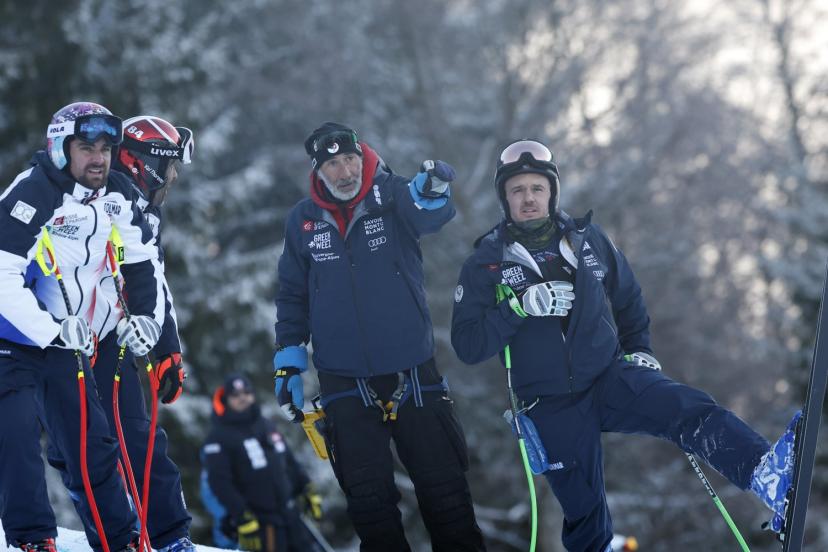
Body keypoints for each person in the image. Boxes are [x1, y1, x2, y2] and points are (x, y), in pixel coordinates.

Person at [450, 138, 801, 552]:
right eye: (517, 190)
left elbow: (629, 298)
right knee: (586, 516)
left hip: (608, 376)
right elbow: (467, 344)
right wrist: (519, 309)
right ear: (504, 198)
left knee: (688, 407)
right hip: (547, 404)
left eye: (536, 188)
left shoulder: (587, 240)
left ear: (552, 191)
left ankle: (766, 476)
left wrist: (641, 349)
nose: (528, 199)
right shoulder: (486, 262)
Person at [273, 122, 486, 551]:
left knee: (447, 499)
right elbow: (293, 295)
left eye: (350, 159)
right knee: (370, 508)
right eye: (332, 164)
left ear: (362, 155)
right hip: (342, 380)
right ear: (318, 171)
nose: (346, 171)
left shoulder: (392, 194)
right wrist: (289, 362)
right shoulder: (302, 221)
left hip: (413, 373)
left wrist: (432, 190)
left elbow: (429, 214)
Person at [0, 101, 168, 552]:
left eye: (106, 148)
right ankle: (33, 538)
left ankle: (118, 541)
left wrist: (146, 320)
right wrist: (51, 328)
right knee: (15, 438)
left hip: (65, 339)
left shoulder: (117, 192)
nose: (98, 158)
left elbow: (141, 257)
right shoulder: (34, 191)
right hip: (12, 335)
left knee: (89, 443)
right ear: (61, 149)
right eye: (86, 147)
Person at [46, 115, 197, 551]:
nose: (170, 180)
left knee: (134, 433)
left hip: (109, 337)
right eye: (166, 169)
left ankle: (169, 535)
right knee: (74, 450)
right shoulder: (82, 194)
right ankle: (114, 539)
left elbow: (154, 280)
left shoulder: (140, 210)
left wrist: (166, 347)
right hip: (55, 341)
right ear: (143, 162)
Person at [201, 373, 321, 552]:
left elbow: (288, 460)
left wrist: (305, 487)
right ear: (226, 400)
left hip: (291, 517)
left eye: (246, 392)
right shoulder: (218, 438)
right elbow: (219, 482)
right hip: (261, 525)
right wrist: (241, 516)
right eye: (235, 394)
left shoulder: (265, 425)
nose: (242, 397)